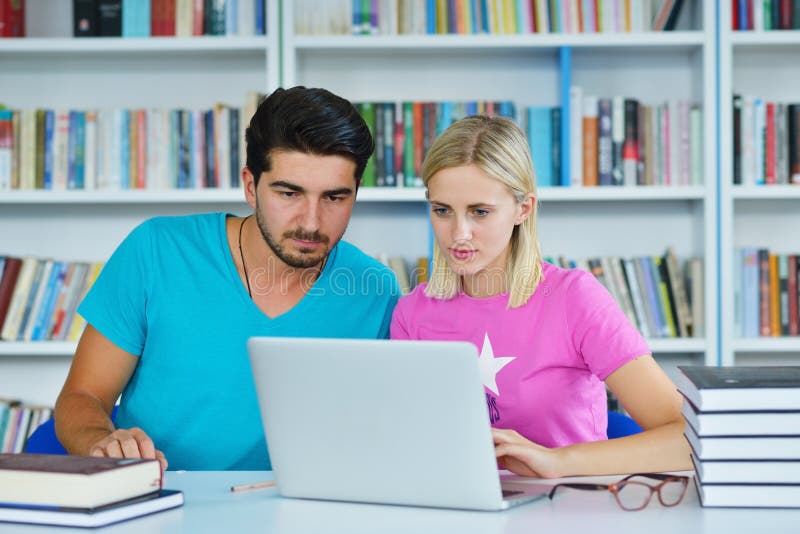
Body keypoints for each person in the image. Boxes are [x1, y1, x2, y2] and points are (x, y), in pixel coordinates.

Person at [55, 87, 400, 471]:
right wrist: (101, 442)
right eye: (289, 193)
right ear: (251, 186)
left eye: (335, 198)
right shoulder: (156, 251)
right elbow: (83, 395)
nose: (311, 222)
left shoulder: (378, 291)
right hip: (162, 506)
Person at [390, 115, 690, 478]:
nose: (459, 233)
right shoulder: (412, 313)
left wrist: (556, 462)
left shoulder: (574, 298)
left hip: (572, 503)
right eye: (442, 211)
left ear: (523, 209)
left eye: (480, 212)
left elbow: (687, 437)